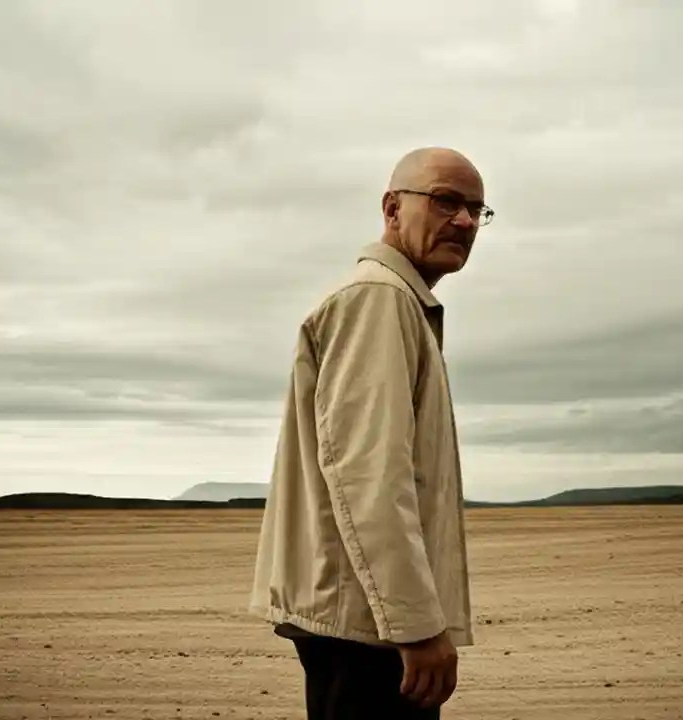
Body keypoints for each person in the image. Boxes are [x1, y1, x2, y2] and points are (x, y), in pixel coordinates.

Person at [249, 147, 493, 718]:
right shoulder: (379, 300)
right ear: (391, 207)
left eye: (476, 210)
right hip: (368, 628)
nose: (463, 221)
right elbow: (369, 476)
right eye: (446, 201)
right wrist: (415, 626)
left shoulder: (398, 302)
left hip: (365, 617)